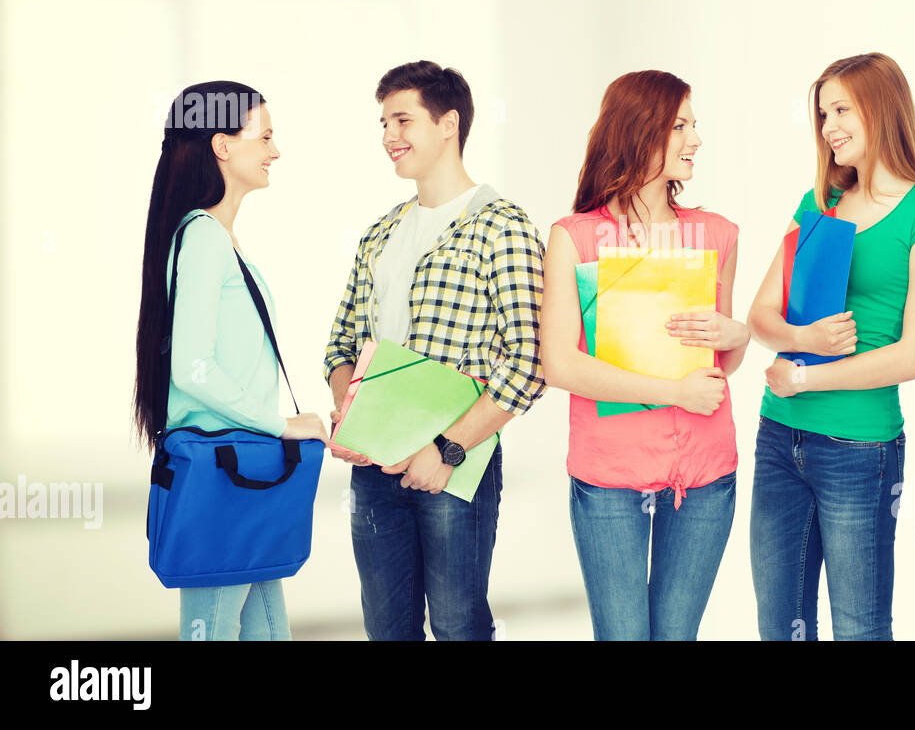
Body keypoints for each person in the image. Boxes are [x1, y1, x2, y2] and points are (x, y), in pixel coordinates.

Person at [323, 60, 547, 641]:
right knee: (386, 629)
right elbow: (341, 344)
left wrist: (444, 450)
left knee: (457, 626)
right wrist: (348, 415)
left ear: (448, 124)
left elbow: (529, 363)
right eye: (383, 123)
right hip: (374, 468)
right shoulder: (380, 233)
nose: (388, 137)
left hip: (456, 465)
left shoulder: (503, 227)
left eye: (402, 120)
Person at [747, 53, 915, 640]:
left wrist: (808, 376)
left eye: (841, 109)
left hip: (860, 449)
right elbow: (761, 313)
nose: (828, 127)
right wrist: (800, 341)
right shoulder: (819, 202)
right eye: (822, 114)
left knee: (860, 629)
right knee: (779, 625)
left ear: (881, 108)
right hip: (778, 437)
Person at [539, 70, 749, 640]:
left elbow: (720, 364)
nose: (695, 140)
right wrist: (672, 393)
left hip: (705, 470)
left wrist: (738, 337)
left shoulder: (717, 235)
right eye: (680, 126)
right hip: (610, 472)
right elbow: (559, 364)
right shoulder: (574, 238)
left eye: (694, 125)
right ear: (639, 131)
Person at [133, 80, 328, 641]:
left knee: (268, 633)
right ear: (222, 145)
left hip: (240, 475)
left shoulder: (218, 236)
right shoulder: (204, 238)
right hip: (224, 473)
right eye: (265, 136)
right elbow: (192, 368)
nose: (275, 151)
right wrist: (281, 423)